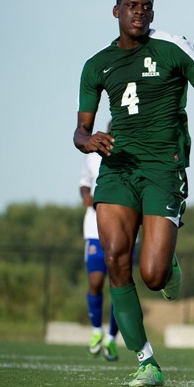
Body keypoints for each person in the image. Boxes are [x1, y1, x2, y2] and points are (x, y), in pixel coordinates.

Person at [73, 0, 194, 387]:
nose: (140, 11)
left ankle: (166, 261)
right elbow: (80, 131)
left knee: (151, 275)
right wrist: (90, 141)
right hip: (116, 169)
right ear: (116, 12)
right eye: (132, 5)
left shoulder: (172, 48)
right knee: (116, 258)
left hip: (163, 170)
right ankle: (146, 361)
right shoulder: (96, 65)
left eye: (147, 6)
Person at [80, 143, 121, 361]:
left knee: (120, 285)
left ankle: (112, 339)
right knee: (95, 281)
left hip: (123, 232)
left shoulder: (133, 156)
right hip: (95, 230)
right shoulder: (93, 158)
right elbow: (84, 184)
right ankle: (97, 330)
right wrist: (86, 195)